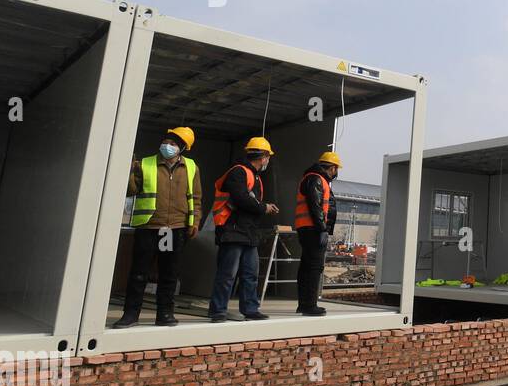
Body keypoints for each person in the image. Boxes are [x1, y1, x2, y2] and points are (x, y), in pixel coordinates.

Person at [113, 126, 202, 328]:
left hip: (170, 230)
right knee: (139, 273)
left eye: (173, 143)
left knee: (168, 273)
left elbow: (196, 198)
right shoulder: (145, 164)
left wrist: (195, 221)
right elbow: (130, 191)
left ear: (182, 148)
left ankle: (164, 314)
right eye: (165, 142)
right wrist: (128, 171)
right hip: (149, 227)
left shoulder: (191, 167)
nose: (167, 146)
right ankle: (130, 315)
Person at [208, 137, 279, 322]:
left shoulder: (254, 176)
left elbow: (249, 200)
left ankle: (250, 309)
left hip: (248, 232)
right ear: (263, 157)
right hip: (232, 230)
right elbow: (241, 198)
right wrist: (264, 207)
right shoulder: (238, 172)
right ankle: (218, 311)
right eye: (268, 157)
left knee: (250, 274)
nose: (268, 161)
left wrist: (262, 206)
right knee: (227, 274)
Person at [295, 151, 341, 316]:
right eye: (336, 169)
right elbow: (316, 207)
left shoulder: (314, 178)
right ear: (333, 168)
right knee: (314, 267)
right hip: (313, 229)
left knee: (307, 266)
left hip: (308, 228)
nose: (336, 172)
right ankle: (309, 305)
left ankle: (304, 304)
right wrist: (322, 229)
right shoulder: (316, 179)